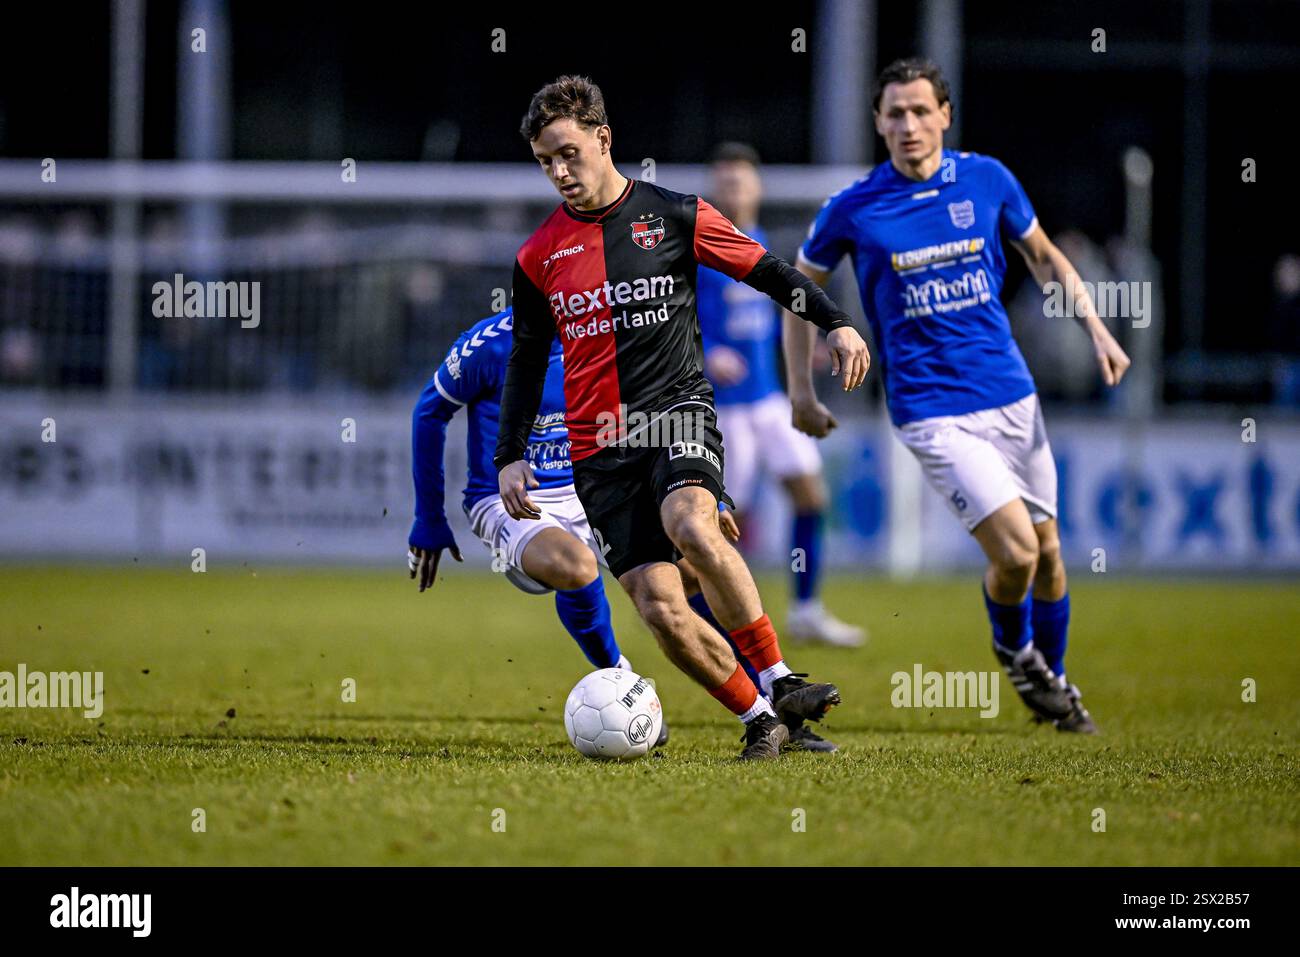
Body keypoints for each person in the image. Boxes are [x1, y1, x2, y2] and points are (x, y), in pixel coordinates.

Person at [495, 76, 870, 759]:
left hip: (677, 414)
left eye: (568, 152)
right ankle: (762, 719)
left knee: (692, 523)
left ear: (603, 139)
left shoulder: (674, 214)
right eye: (545, 160)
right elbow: (525, 358)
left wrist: (835, 324)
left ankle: (782, 676)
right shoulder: (537, 255)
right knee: (661, 608)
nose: (558, 171)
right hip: (598, 450)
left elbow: (767, 270)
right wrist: (509, 453)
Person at [784, 58, 1131, 733]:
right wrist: (801, 389)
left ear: (944, 114)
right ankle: (1014, 649)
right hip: (930, 408)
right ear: (878, 123)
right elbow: (798, 291)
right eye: (895, 113)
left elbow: (1043, 255)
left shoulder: (988, 178)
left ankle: (1051, 686)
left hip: (1011, 393)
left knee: (1052, 552)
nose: (909, 124)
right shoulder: (853, 206)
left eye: (921, 110)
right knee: (1019, 554)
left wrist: (1096, 326)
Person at [697, 142, 865, 647]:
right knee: (731, 521)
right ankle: (725, 620)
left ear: (757, 187)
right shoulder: (700, 249)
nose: (735, 189)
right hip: (726, 409)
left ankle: (806, 610)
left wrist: (805, 345)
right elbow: (673, 315)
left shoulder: (762, 243)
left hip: (769, 400)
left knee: (811, 496)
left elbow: (767, 317)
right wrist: (706, 354)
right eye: (725, 182)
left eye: (742, 180)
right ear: (714, 190)